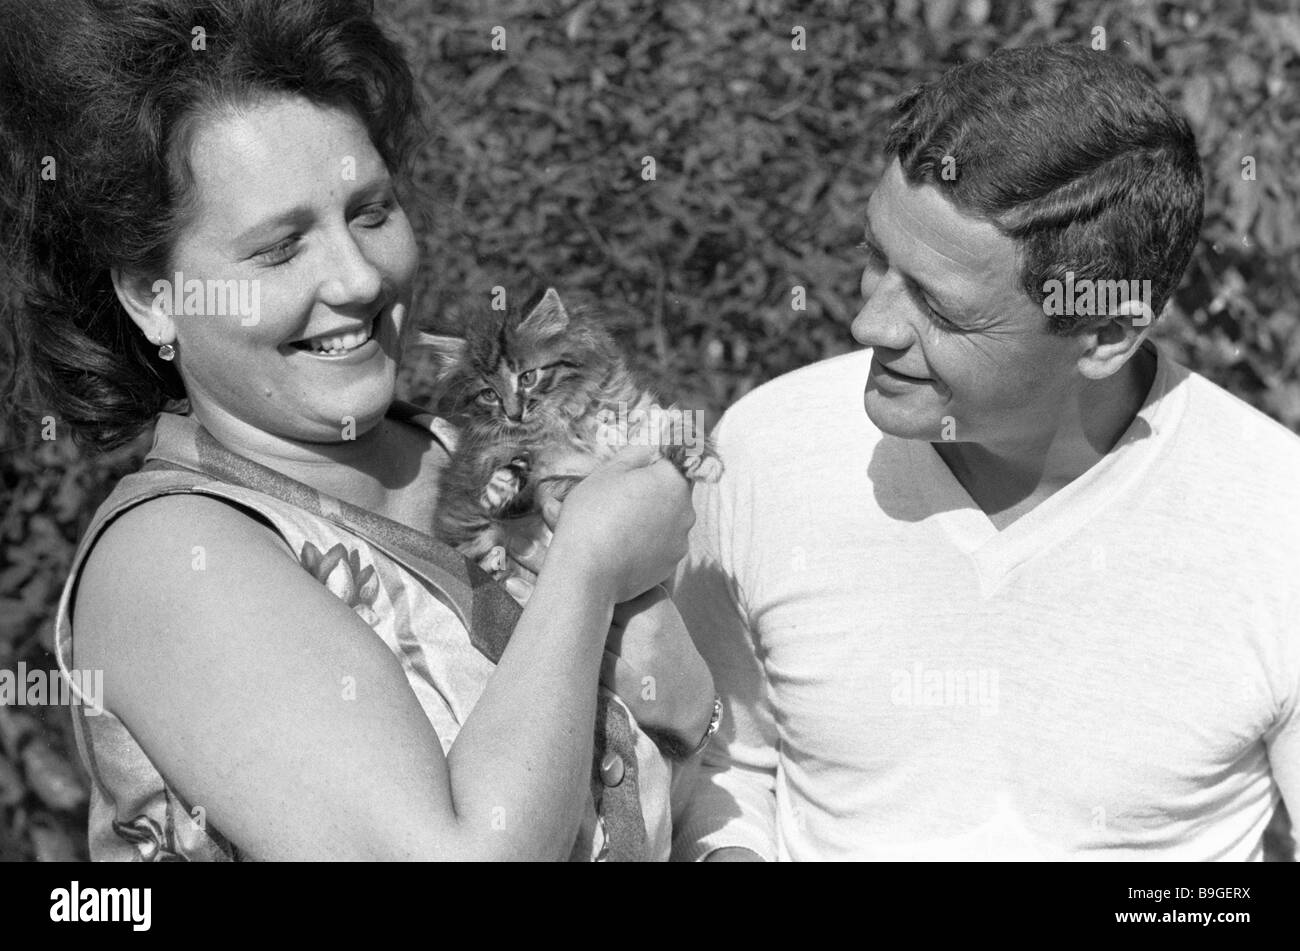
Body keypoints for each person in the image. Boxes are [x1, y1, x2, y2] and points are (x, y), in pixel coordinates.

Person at [0, 0, 714, 861]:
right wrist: (589, 569)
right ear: (156, 296)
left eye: (370, 211)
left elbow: (691, 757)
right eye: (279, 247)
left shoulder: (475, 457)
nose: (357, 275)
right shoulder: (169, 555)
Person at [671, 44, 1300, 861]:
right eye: (876, 258)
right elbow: (719, 759)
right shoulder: (765, 451)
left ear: (1105, 331)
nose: (871, 325)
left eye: (939, 306)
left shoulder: (1274, 521)